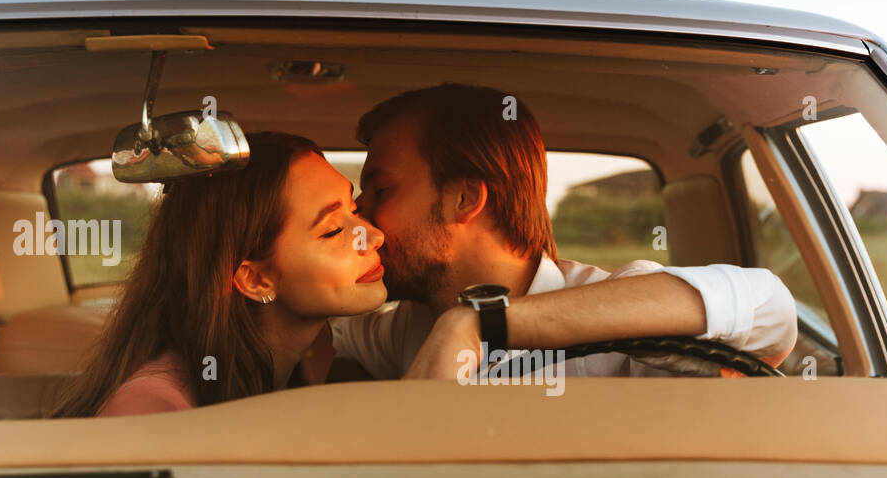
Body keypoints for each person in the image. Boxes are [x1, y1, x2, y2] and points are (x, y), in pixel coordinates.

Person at [332, 83, 798, 380]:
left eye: (381, 190)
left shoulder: (626, 328)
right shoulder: (402, 326)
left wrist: (479, 323)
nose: (361, 216)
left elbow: (771, 311)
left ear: (465, 199)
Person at [51, 132, 387, 417]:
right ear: (255, 280)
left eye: (354, 209)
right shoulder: (153, 406)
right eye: (331, 231)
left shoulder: (324, 355)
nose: (373, 235)